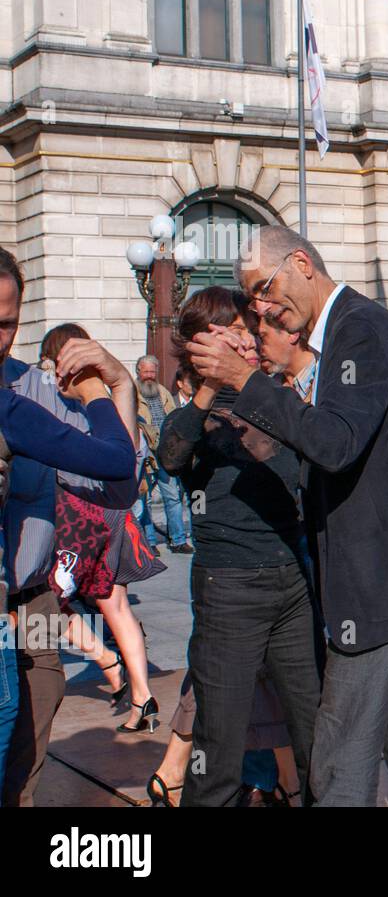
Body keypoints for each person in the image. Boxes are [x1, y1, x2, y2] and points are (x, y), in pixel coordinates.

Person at [184, 224, 388, 807]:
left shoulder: (361, 328)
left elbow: (337, 442)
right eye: (252, 300)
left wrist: (244, 382)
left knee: (339, 766)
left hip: (381, 584)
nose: (261, 308)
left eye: (264, 289)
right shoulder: (350, 330)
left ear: (302, 262)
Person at [159, 287, 323, 807]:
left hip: (291, 581)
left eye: (242, 326)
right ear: (194, 346)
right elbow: (170, 456)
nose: (238, 335)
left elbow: (306, 465)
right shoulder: (197, 412)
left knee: (315, 727)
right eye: (221, 328)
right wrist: (210, 387)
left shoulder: (274, 395)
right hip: (228, 587)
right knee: (219, 744)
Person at [0, 247, 139, 806]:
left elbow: (118, 480)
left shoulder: (34, 392)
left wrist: (120, 385)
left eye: (5, 322)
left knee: (27, 731)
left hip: (30, 599)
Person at [39, 325, 158, 734]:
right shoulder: (102, 403)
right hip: (114, 517)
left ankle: (103, 658)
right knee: (117, 608)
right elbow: (131, 457)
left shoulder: (50, 403)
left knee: (43, 603)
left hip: (75, 522)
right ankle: (142, 696)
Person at [134, 355, 193, 554]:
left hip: (164, 453)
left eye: (153, 372)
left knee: (173, 497)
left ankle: (177, 540)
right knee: (146, 500)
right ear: (138, 372)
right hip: (145, 454)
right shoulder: (131, 392)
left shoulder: (163, 392)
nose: (149, 376)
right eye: (146, 372)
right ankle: (149, 542)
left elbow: (174, 415)